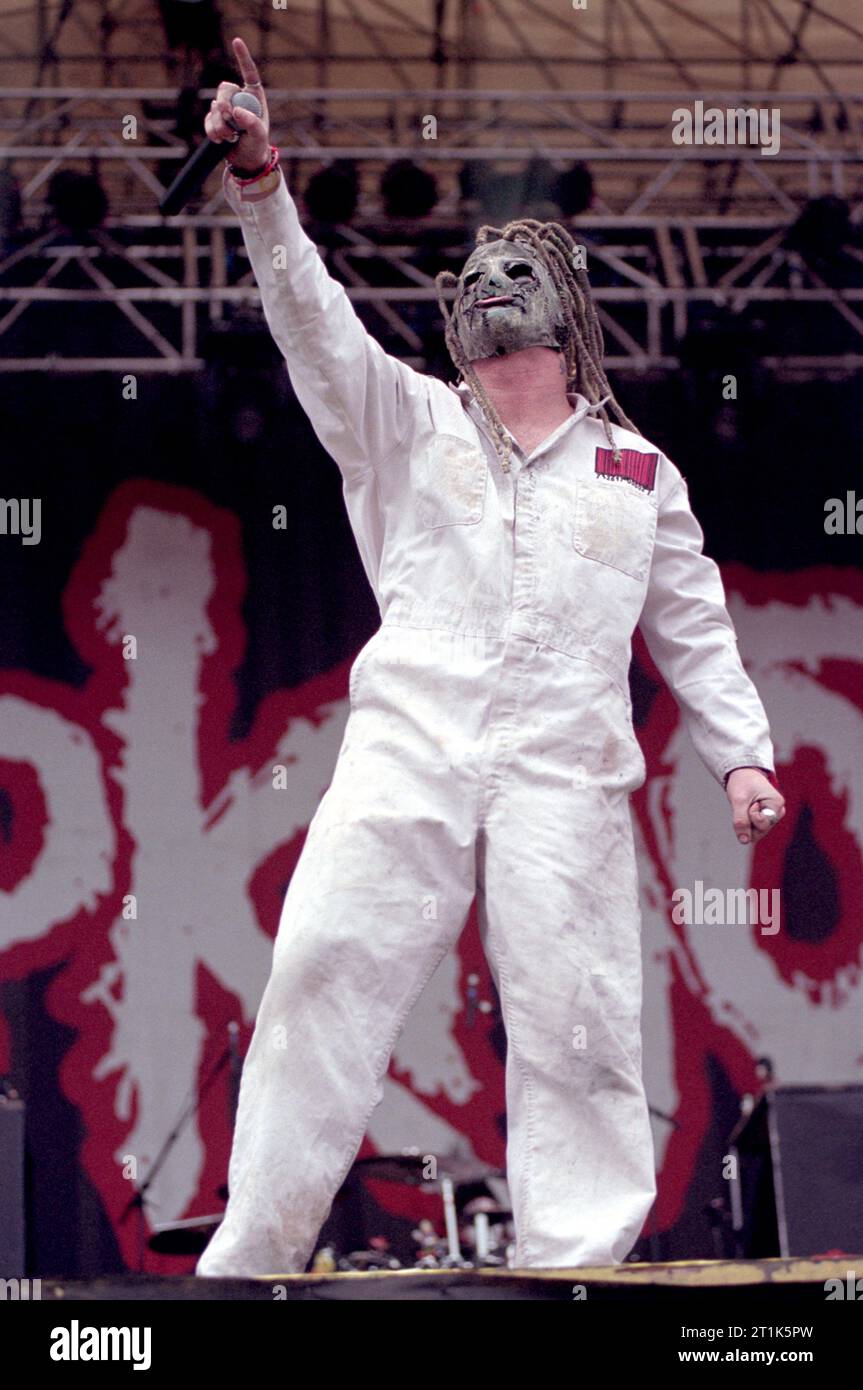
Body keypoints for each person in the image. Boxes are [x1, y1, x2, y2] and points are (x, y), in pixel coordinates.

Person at [197, 37, 786, 1276]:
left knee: (578, 1013)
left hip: (565, 756)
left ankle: (574, 1258)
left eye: (515, 267)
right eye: (470, 271)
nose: (487, 283)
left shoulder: (635, 471)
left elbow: (691, 619)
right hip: (414, 729)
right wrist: (261, 186)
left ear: (569, 316)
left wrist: (740, 754)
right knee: (319, 964)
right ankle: (249, 1255)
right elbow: (310, 318)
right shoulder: (405, 420)